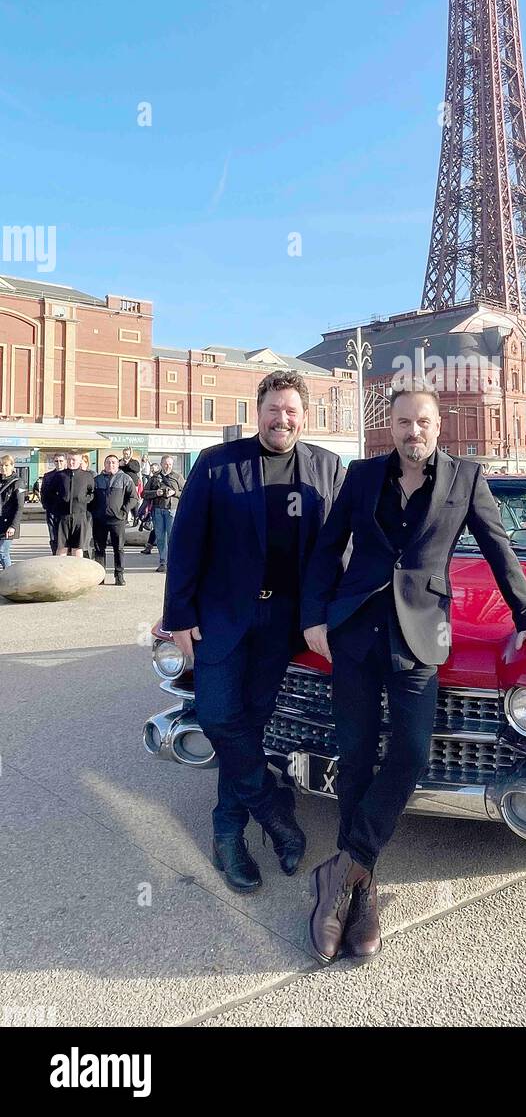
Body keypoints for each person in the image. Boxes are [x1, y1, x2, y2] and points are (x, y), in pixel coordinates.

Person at [301, 381, 526, 966]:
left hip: (419, 633)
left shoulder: (466, 478)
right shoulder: (362, 476)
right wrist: (315, 617)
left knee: (413, 752)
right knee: (356, 751)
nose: (412, 432)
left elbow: (499, 549)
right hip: (354, 629)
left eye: (422, 422)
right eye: (402, 423)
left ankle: (346, 870)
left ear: (437, 426)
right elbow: (327, 548)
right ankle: (360, 892)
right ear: (388, 426)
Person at [163, 371, 344, 894]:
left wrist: (331, 614)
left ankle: (227, 832)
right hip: (220, 618)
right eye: (272, 409)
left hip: (282, 624)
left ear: (304, 416)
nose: (281, 419)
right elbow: (187, 541)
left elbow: (333, 552)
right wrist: (179, 613)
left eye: (290, 410)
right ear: (257, 411)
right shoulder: (217, 464)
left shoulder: (326, 468)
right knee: (219, 717)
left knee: (252, 722)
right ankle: (274, 809)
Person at [91, 455, 139, 585]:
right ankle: (100, 576)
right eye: (108, 462)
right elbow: (90, 498)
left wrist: (124, 510)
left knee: (119, 549)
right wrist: (93, 512)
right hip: (99, 520)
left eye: (113, 463)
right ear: (104, 464)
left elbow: (134, 498)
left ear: (118, 464)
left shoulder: (125, 479)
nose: (110, 465)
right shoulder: (97, 480)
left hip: (117, 520)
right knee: (99, 549)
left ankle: (119, 575)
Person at [46, 452, 94, 556]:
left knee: (77, 548)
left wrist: (85, 500)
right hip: (63, 516)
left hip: (80, 516)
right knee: (62, 547)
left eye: (74, 460)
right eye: (69, 460)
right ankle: (61, 570)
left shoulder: (87, 476)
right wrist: (56, 506)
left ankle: (76, 571)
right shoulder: (60, 476)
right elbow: (49, 493)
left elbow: (92, 493)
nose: (71, 462)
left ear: (80, 460)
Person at [144, 456, 183, 573]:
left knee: (172, 537)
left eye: (170, 464)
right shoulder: (155, 477)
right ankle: (163, 562)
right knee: (160, 537)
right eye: (166, 464)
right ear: (161, 464)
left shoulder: (177, 477)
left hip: (172, 510)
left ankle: (173, 562)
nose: (168, 466)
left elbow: (186, 492)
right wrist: (156, 492)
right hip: (157, 510)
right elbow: (144, 493)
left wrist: (174, 492)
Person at [40, 454, 67, 552]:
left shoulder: (69, 474)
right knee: (53, 536)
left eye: (61, 461)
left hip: (65, 511)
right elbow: (43, 492)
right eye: (56, 461)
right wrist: (46, 505)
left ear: (65, 462)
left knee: (64, 537)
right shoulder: (48, 476)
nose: (59, 463)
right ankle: (55, 553)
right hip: (51, 510)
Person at [0, 455, 22, 569]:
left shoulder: (17, 483)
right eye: (1, 465)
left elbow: (20, 507)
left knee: (3, 552)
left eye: (6, 465)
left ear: (12, 466)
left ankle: (10, 577)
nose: (4, 468)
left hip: (8, 523)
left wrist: (13, 526)